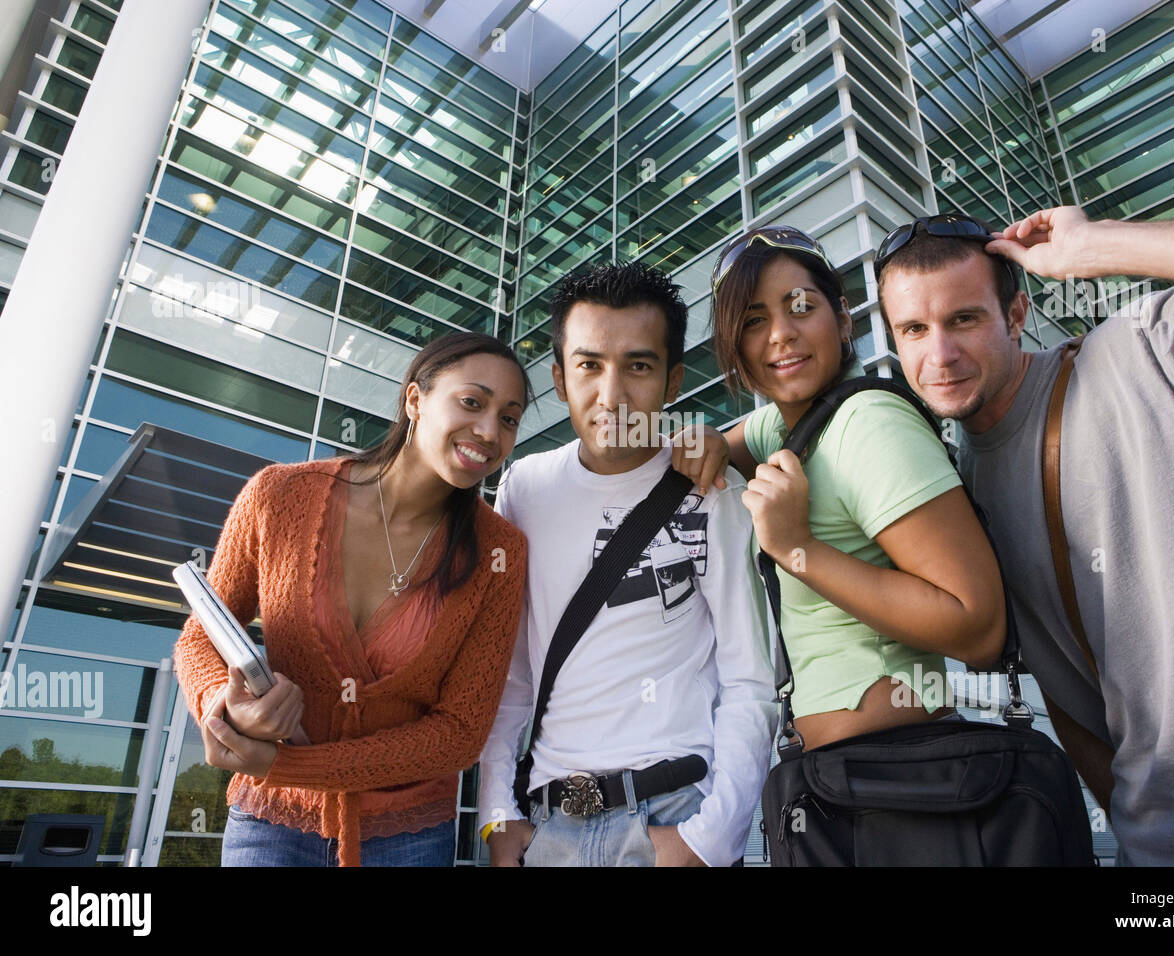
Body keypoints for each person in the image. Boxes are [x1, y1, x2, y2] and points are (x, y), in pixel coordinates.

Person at [873, 206, 1174, 865]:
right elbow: (1068, 703)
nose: (941, 353)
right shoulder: (960, 501)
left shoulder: (1142, 356)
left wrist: (1099, 244)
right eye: (914, 329)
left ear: (1015, 315)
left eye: (964, 318)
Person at [172, 331, 531, 867]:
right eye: (472, 402)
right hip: (270, 825)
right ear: (414, 400)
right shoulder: (278, 495)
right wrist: (222, 707)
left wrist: (282, 765)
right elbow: (199, 638)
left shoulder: (500, 552)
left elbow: (458, 735)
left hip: (408, 838)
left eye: (508, 417)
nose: (488, 430)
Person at [476, 262, 777, 867]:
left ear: (672, 382)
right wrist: (495, 818)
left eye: (637, 366)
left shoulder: (709, 488)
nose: (610, 394)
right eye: (589, 365)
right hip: (550, 824)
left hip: (674, 813)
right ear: (560, 379)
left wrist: (710, 840)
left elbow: (751, 679)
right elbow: (512, 671)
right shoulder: (524, 488)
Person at [689, 225, 1005, 758]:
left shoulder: (869, 422)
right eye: (753, 321)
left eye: (800, 307)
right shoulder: (789, 427)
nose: (781, 334)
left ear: (840, 318)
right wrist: (703, 438)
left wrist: (798, 549)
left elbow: (978, 626)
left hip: (898, 772)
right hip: (838, 783)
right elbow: (726, 442)